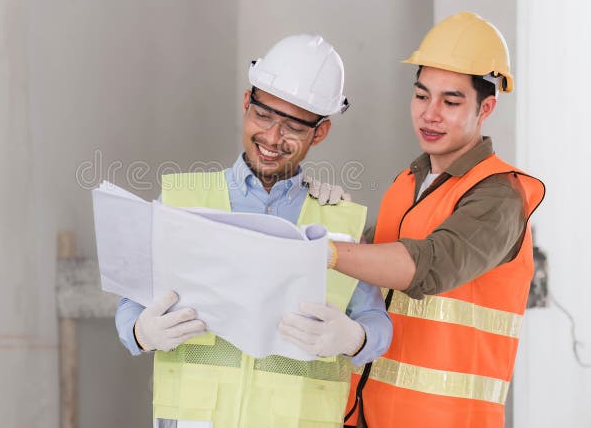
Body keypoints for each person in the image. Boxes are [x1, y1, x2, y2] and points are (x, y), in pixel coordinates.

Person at [114, 34, 393, 428]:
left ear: (321, 132)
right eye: (263, 116)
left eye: (294, 126)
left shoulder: (337, 221)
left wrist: (355, 340)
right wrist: (141, 332)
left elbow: (377, 322)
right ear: (246, 103)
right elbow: (130, 306)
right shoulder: (181, 199)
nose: (273, 137)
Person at [322, 12, 545, 428]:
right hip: (366, 414)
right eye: (422, 96)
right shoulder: (407, 184)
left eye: (451, 101)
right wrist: (325, 220)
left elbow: (428, 266)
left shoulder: (499, 196)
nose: (430, 113)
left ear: (486, 107)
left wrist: (326, 249)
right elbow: (362, 275)